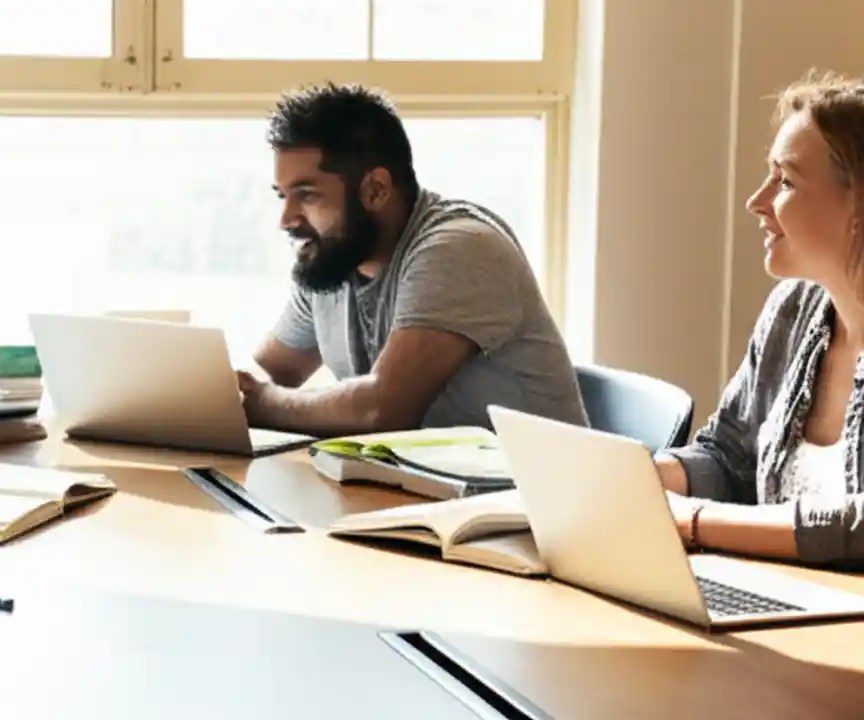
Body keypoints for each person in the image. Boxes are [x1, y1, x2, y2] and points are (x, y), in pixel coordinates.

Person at [238, 83, 586, 437]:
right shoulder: (334, 260)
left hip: (534, 474)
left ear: (376, 190)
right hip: (427, 473)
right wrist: (235, 393)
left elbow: (383, 409)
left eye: (307, 195)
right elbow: (266, 376)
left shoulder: (459, 249)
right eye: (282, 196)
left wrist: (264, 402)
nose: (286, 219)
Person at [657, 71, 864, 567]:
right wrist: (637, 478)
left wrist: (695, 520)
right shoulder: (793, 310)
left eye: (786, 181)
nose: (757, 202)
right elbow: (731, 457)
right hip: (782, 598)